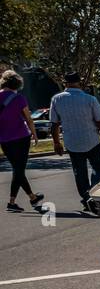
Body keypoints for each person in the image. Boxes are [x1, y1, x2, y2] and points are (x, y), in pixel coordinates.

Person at [49, 72, 100, 211]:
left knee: (79, 172)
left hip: (72, 142)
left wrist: (56, 143)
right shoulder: (89, 99)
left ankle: (86, 198)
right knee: (99, 168)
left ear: (65, 83)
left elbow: (54, 124)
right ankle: (94, 192)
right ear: (79, 82)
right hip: (92, 140)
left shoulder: (57, 99)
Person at [0, 70, 45, 213]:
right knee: (19, 169)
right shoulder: (19, 99)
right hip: (21, 137)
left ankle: (31, 197)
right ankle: (12, 201)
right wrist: (34, 134)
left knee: (17, 169)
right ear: (17, 84)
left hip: (4, 139)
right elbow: (29, 119)